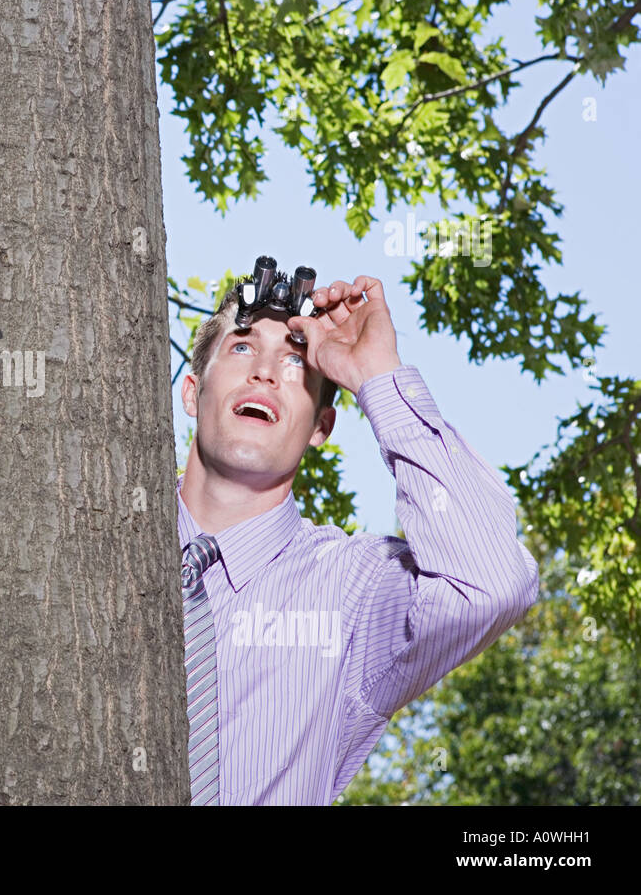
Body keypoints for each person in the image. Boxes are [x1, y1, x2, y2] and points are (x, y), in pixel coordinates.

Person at [177, 273, 539, 805]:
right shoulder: (95, 541)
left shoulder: (353, 591)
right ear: (193, 391)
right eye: (242, 346)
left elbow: (491, 582)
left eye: (296, 359)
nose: (264, 372)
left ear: (321, 427)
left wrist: (378, 377)